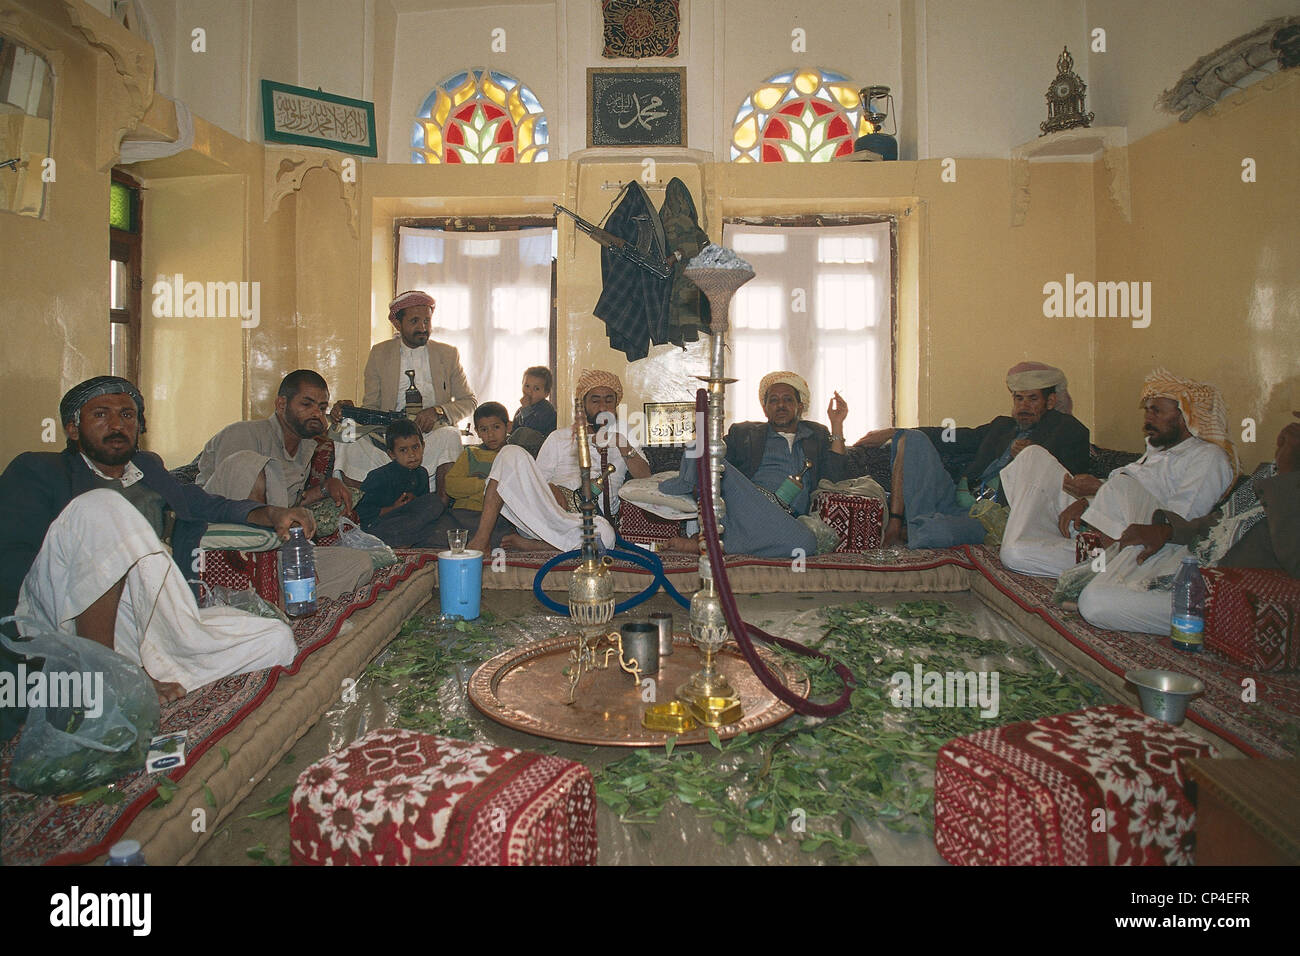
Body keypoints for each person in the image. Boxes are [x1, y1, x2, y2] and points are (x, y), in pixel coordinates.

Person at [0, 377, 307, 723]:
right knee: (102, 506)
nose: (117, 425)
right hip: (68, 614)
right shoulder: (39, 469)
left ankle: (144, 669)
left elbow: (202, 502)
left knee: (275, 639)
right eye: (101, 414)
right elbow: (12, 561)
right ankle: (108, 675)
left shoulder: (147, 469)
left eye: (128, 415)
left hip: (143, 614)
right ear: (73, 428)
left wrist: (272, 513)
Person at [1069, 412, 1299, 634]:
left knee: (1094, 602)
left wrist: (1289, 472)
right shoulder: (1269, 474)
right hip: (1191, 558)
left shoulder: (1283, 482)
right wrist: (1167, 530)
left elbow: (1293, 558)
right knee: (1129, 539)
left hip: (1218, 592)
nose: (1291, 433)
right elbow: (1218, 523)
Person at [1000, 368, 1237, 578]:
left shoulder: (1208, 458)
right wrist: (1087, 500)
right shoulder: (1156, 451)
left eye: (1157, 412)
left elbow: (1176, 523)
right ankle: (1038, 537)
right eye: (1147, 411)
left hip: (1133, 547)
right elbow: (1123, 492)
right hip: (1099, 530)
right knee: (1033, 457)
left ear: (1186, 418)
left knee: (1120, 485)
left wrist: (1101, 490)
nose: (1148, 418)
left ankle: (1097, 568)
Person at [853, 362, 1090, 549]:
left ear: (1050, 401)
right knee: (910, 439)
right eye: (1019, 398)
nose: (1023, 406)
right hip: (956, 501)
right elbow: (952, 436)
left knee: (937, 532)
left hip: (991, 520)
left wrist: (1033, 453)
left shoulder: (1067, 430)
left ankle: (918, 529)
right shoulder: (1001, 427)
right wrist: (893, 431)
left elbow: (1071, 483)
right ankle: (897, 527)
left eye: (1032, 398)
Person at [197, 369, 373, 598]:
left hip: (277, 548)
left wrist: (324, 488)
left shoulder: (305, 448)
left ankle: (278, 594)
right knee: (248, 463)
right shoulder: (242, 433)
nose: (315, 413)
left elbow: (290, 501)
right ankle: (259, 589)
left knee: (360, 563)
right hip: (225, 540)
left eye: (321, 408)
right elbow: (229, 500)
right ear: (281, 404)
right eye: (306, 404)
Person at [660, 371, 851, 557]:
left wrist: (837, 424)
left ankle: (713, 544)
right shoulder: (744, 433)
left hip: (785, 517)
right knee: (699, 448)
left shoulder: (815, 435)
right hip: (748, 502)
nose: (781, 405)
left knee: (806, 544)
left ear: (800, 407)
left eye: (788, 399)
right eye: (774, 400)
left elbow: (834, 478)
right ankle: (686, 490)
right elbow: (719, 468)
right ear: (765, 407)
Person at [465, 370, 649, 553]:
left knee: (605, 535)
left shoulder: (624, 436)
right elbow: (536, 482)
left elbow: (645, 477)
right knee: (509, 452)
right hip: (548, 514)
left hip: (584, 522)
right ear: (583, 404)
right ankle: (482, 540)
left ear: (616, 404)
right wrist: (551, 488)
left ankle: (536, 546)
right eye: (595, 400)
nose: (602, 406)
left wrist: (621, 443)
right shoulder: (558, 437)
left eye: (609, 400)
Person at [329, 290, 476, 485]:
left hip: (430, 434)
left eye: (427, 321)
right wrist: (352, 413)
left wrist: (438, 411)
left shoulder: (447, 354)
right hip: (388, 434)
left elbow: (469, 401)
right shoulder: (380, 353)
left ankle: (439, 501)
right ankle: (358, 500)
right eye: (415, 321)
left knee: (450, 435)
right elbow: (371, 404)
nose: (423, 327)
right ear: (397, 324)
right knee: (344, 432)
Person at [435, 402, 517, 550]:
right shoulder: (470, 454)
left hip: (495, 519)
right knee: (436, 534)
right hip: (462, 514)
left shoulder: (513, 456)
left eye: (496, 427)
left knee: (504, 540)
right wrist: (485, 485)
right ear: (477, 432)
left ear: (508, 427)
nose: (490, 434)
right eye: (484, 429)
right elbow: (451, 486)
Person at [355, 419, 447, 548]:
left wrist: (414, 501)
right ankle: (406, 541)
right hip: (383, 526)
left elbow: (422, 509)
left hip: (409, 523)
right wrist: (393, 508)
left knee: (435, 503)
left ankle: (407, 541)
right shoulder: (379, 476)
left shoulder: (421, 473)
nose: (412, 454)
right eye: (403, 450)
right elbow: (361, 513)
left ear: (423, 446)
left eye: (415, 447)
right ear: (391, 454)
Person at [510, 366, 557, 458]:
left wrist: (526, 409)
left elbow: (534, 427)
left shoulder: (546, 408)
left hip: (540, 449)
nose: (530, 392)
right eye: (527, 386)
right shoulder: (520, 410)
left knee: (523, 432)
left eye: (536, 389)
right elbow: (515, 430)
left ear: (546, 393)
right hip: (522, 451)